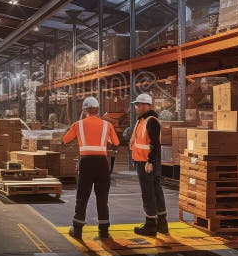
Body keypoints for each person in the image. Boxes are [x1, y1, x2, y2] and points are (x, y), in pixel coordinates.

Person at [62, 96, 120, 240]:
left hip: (86, 163)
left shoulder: (78, 125)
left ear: (84, 110)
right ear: (98, 109)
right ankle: (104, 231)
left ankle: (77, 229)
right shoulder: (107, 125)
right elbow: (116, 142)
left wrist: (77, 124)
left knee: (82, 197)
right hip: (102, 164)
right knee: (102, 198)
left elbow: (65, 140)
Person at [129, 93, 168, 237]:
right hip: (143, 161)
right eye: (136, 105)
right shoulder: (142, 120)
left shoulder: (151, 121)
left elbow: (155, 144)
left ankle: (151, 225)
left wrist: (150, 161)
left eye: (138, 105)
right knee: (156, 191)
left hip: (147, 163)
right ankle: (162, 224)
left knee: (148, 193)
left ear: (146, 106)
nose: (136, 107)